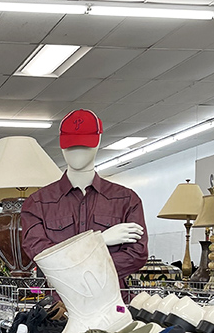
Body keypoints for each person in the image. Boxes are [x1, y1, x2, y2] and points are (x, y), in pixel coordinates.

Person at [21, 109, 148, 283]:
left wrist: (71, 265)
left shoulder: (126, 200)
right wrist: (100, 240)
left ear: (98, 142)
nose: (77, 152)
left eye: (84, 145)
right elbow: (43, 257)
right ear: (61, 145)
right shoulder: (36, 204)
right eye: (71, 146)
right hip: (60, 307)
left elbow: (136, 256)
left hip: (113, 306)